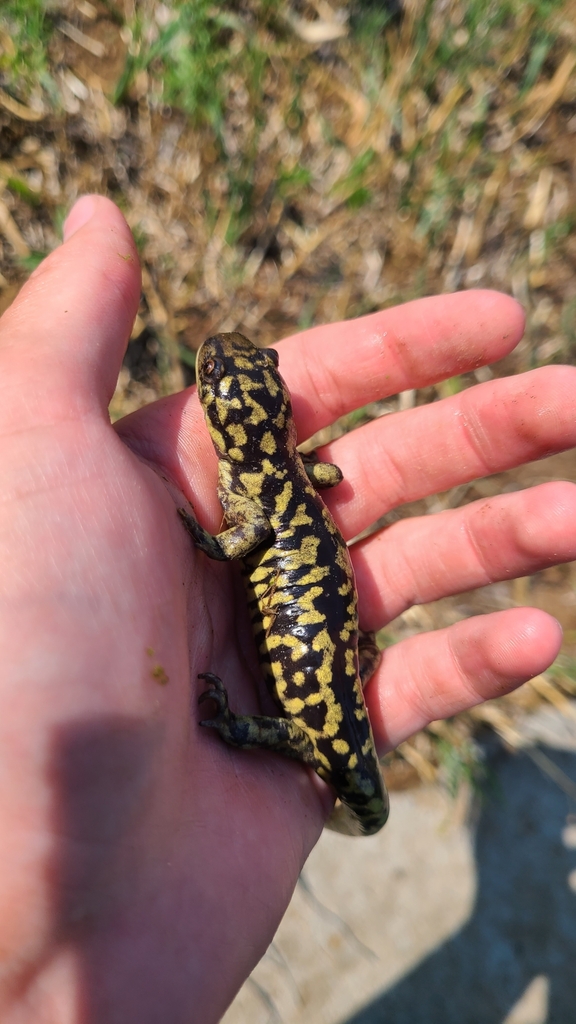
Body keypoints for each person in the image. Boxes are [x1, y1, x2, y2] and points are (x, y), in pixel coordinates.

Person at [0, 194, 574, 1022]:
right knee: (329, 708)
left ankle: (245, 733)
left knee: (307, 736)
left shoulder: (261, 485)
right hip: (319, 661)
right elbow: (299, 500)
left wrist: (202, 538)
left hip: (314, 704)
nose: (222, 366)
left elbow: (237, 542)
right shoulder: (287, 473)